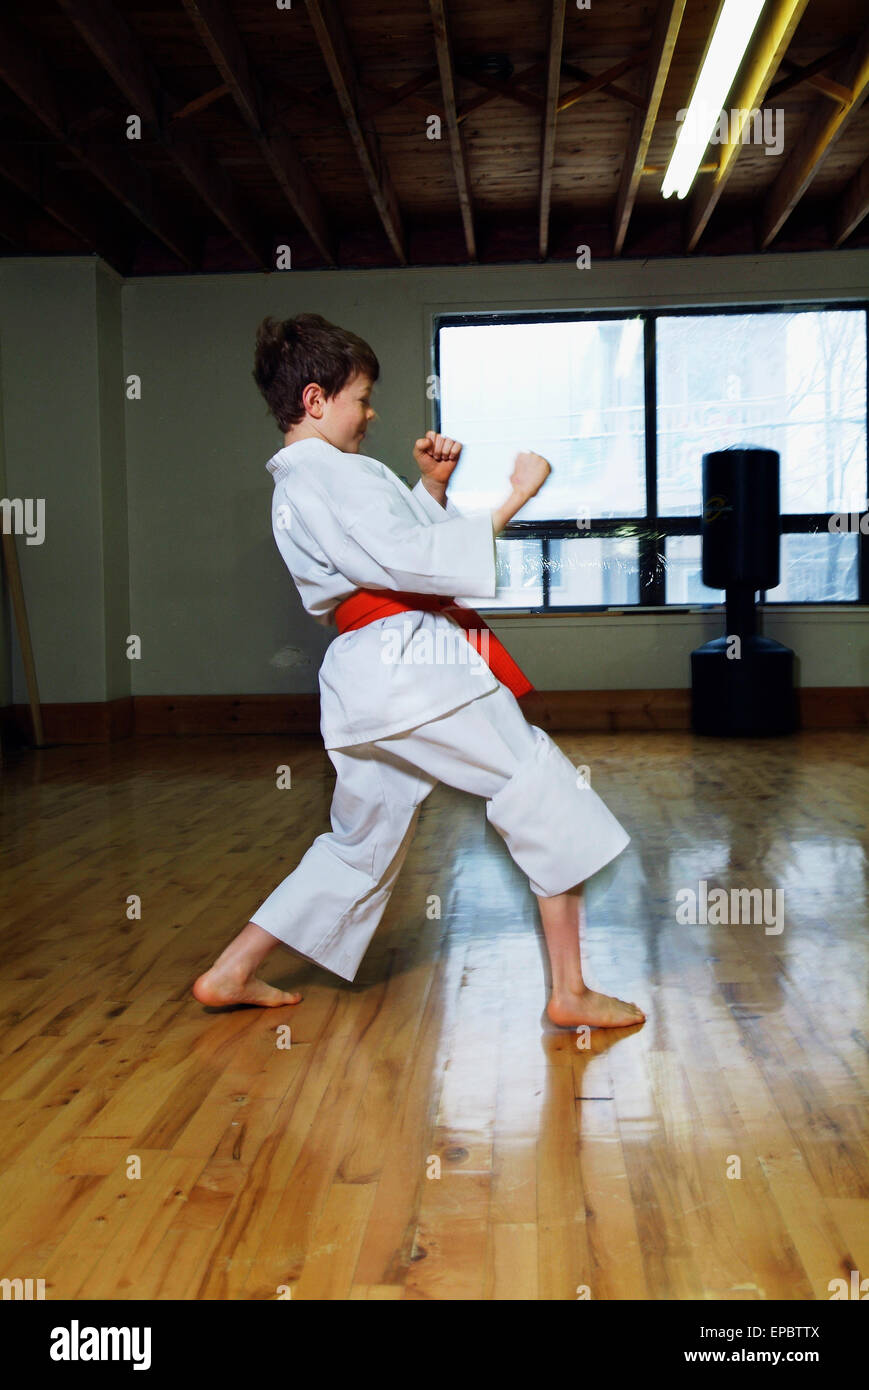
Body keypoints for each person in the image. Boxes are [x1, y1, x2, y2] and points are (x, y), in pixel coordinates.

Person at [193, 313, 645, 1029]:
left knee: (357, 845)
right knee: (538, 785)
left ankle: (230, 970)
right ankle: (570, 991)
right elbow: (416, 562)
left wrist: (431, 488)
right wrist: (515, 497)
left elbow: (391, 545)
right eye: (360, 397)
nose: (370, 412)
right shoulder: (328, 474)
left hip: (364, 683)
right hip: (413, 671)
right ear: (315, 401)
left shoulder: (306, 482)